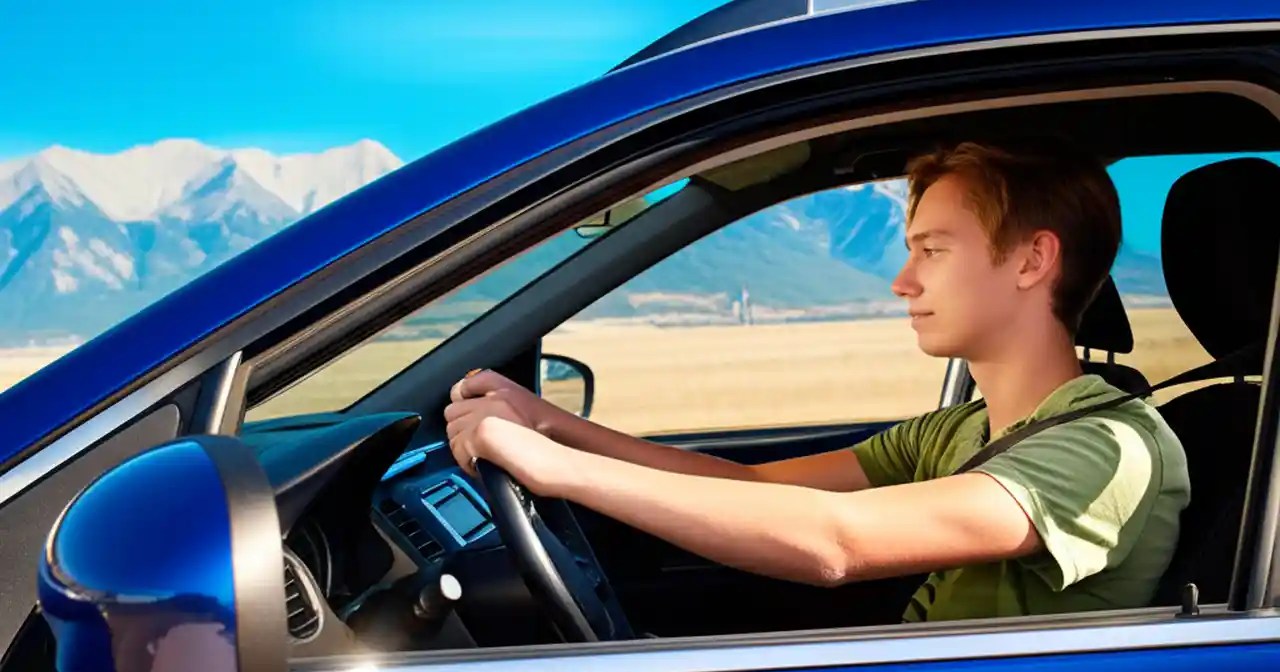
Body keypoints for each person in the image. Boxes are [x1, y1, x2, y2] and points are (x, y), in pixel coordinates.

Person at [442, 141, 1190, 622]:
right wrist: (552, 424)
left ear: (1032, 262)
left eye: (932, 250)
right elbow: (755, 487)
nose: (902, 281)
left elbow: (835, 543)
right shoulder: (963, 431)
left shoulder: (1109, 451)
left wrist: (565, 473)